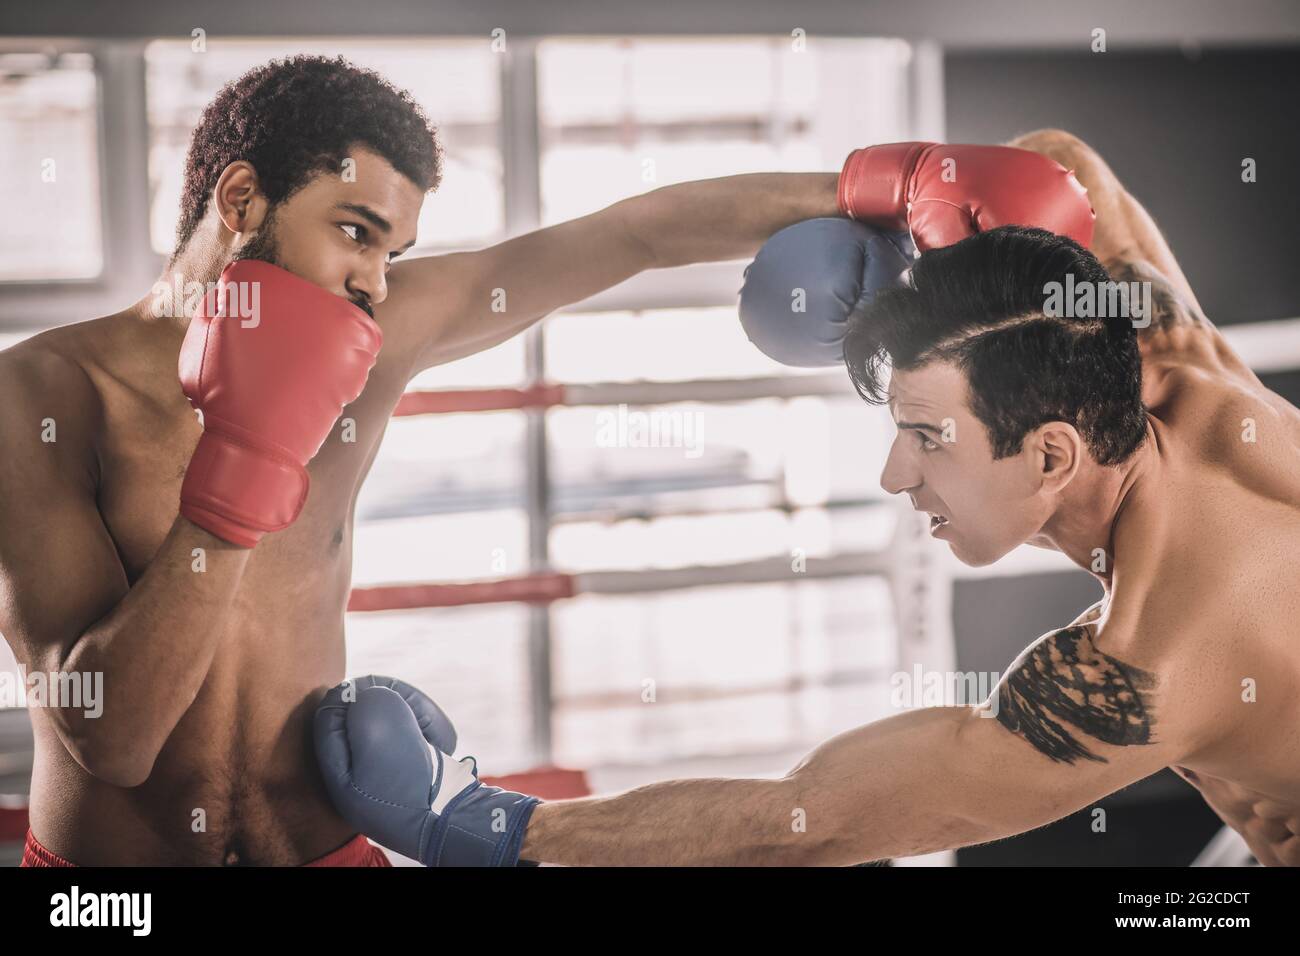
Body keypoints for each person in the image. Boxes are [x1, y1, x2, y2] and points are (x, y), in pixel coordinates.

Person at [3, 54, 1076, 865]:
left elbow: (628, 236)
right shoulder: (44, 397)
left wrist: (891, 180)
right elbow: (113, 739)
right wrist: (247, 459)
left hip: (324, 855)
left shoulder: (372, 336)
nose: (377, 281)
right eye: (357, 230)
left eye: (395, 252)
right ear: (239, 202)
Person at [317, 131, 1300, 867]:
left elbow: (805, 821)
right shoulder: (1154, 354)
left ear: (1050, 456)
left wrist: (487, 827)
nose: (895, 475)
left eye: (927, 438)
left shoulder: (1156, 663)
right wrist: (903, 201)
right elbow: (1055, 162)